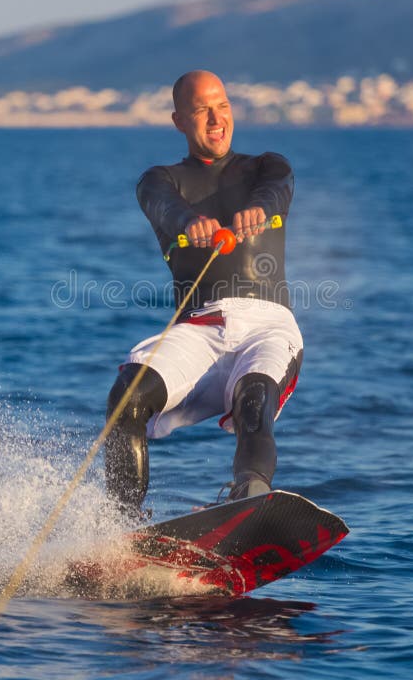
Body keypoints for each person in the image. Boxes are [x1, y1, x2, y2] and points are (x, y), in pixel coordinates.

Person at [105, 70, 303, 515]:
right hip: (201, 326)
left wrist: (258, 209)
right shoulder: (160, 180)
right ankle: (118, 527)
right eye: (201, 110)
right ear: (179, 121)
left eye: (223, 106)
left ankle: (248, 501)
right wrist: (186, 222)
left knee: (254, 401)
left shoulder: (267, 167)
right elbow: (161, 203)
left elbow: (278, 189)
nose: (216, 119)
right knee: (127, 398)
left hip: (267, 326)